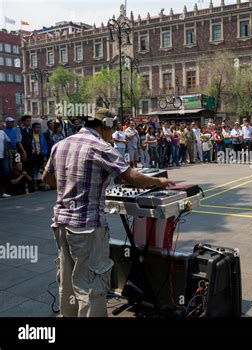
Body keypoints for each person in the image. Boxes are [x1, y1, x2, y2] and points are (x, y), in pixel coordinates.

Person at [42, 108, 175, 318]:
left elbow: (47, 179)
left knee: (67, 279)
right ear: (104, 125)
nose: (111, 135)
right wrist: (159, 181)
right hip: (87, 227)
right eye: (110, 130)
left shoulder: (61, 144)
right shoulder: (100, 147)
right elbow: (131, 177)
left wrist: (72, 184)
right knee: (91, 283)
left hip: (60, 224)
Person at [31, 122, 49, 189]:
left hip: (40, 154)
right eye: (36, 127)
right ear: (33, 128)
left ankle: (40, 183)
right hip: (33, 155)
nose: (38, 129)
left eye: (39, 127)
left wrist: (44, 154)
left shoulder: (41, 135)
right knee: (34, 169)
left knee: (40, 169)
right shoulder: (31, 135)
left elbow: (45, 145)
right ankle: (34, 183)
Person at [0, 127, 11, 198]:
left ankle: (2, 192)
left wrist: (6, 151)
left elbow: (9, 141)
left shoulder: (2, 132)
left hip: (2, 157)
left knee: (5, 173)